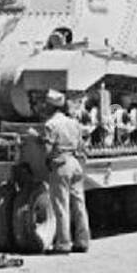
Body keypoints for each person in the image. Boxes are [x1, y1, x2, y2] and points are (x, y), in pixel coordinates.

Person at [39, 89, 90, 253]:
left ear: (50, 107)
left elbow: (47, 149)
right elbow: (82, 146)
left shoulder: (50, 125)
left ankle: (63, 243)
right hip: (75, 163)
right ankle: (82, 241)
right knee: (79, 204)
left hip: (61, 164)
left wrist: (37, 140)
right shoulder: (73, 123)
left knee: (61, 205)